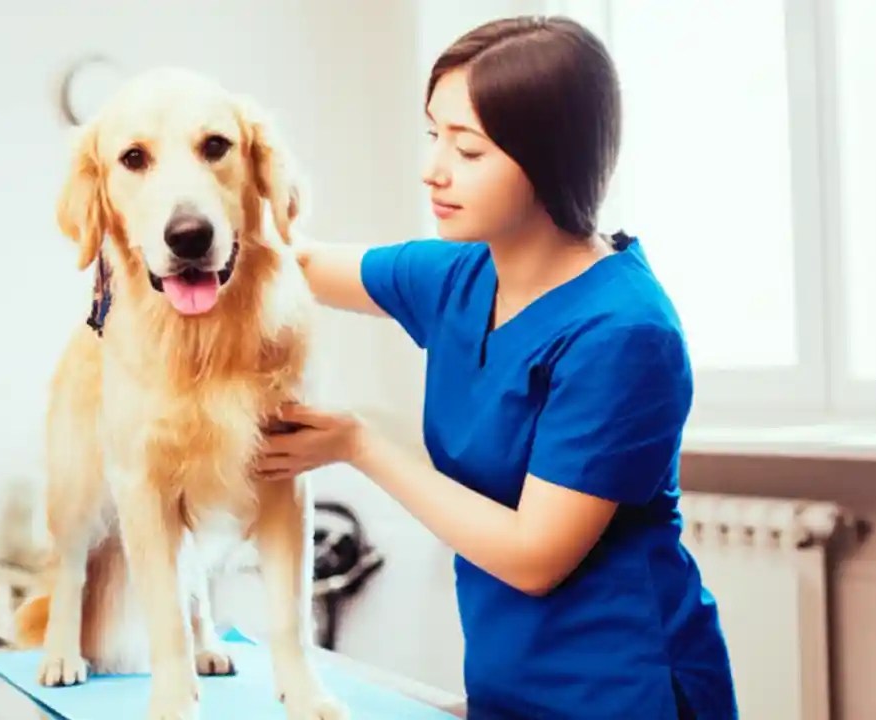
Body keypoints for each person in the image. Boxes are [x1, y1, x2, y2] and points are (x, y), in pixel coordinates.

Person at [256, 15, 738, 720]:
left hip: (622, 690)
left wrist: (356, 445)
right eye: (433, 135)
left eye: (469, 149)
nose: (433, 169)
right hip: (507, 686)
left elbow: (533, 557)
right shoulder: (461, 277)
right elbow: (294, 266)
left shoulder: (625, 334)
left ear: (550, 159)